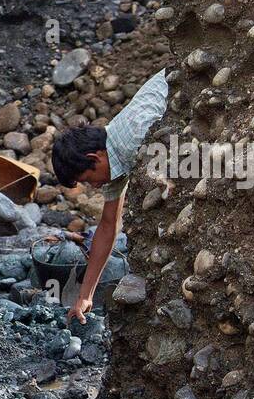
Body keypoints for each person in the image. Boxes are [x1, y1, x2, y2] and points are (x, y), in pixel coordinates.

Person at [50, 68, 168, 324]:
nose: (93, 186)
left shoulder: (136, 139)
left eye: (87, 180)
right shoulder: (114, 155)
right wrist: (85, 295)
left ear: (95, 158)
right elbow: (107, 224)